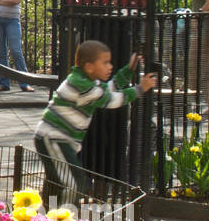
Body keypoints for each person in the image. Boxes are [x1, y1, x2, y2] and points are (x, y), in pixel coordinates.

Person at [34, 40, 158, 204]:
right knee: (74, 182)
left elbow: (110, 87)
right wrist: (140, 89)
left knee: (58, 181)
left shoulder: (86, 80)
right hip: (53, 138)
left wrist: (129, 70)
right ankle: (62, 217)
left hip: (58, 139)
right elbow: (111, 100)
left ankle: (47, 218)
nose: (110, 66)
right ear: (90, 66)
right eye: (105, 63)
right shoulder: (82, 85)